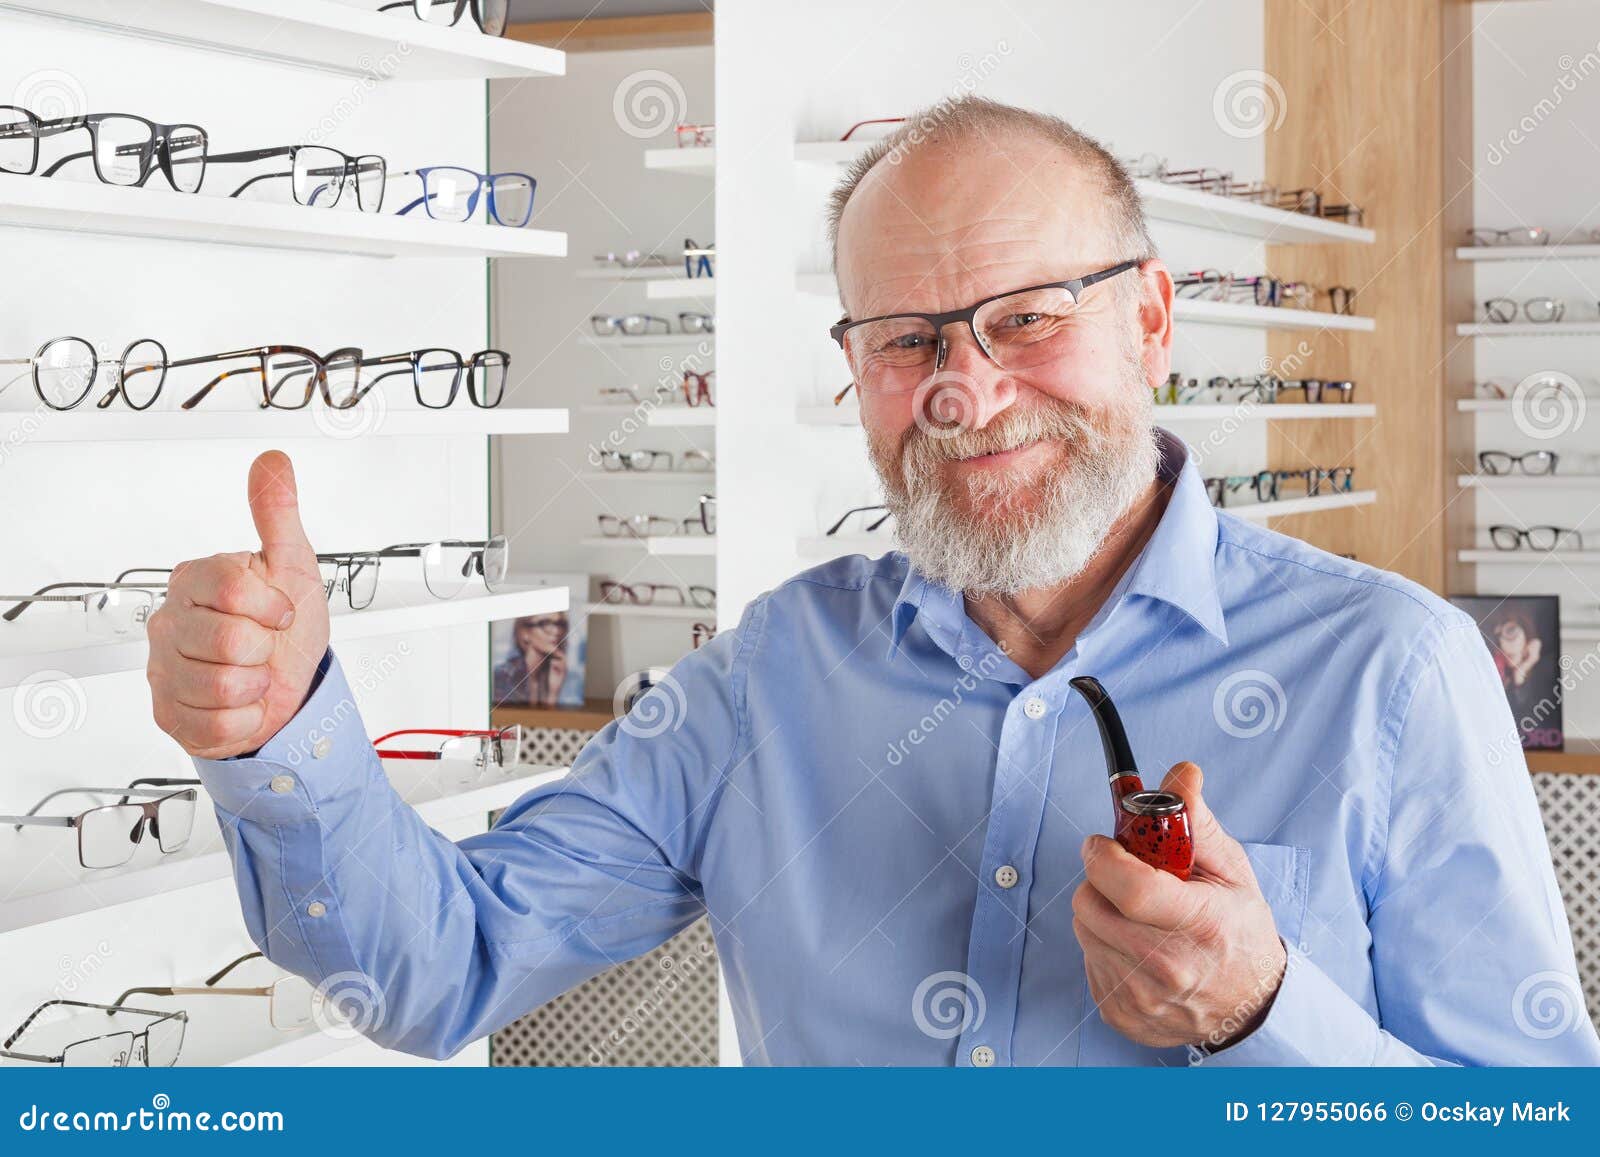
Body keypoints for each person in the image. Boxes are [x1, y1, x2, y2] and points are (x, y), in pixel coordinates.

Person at [146, 96, 1600, 1066]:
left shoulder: (1394, 672)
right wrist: (282, 737)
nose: (965, 392)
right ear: (854, 367)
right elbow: (440, 967)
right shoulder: (767, 678)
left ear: (1153, 321)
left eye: (1028, 318)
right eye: (907, 340)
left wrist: (1265, 1011)